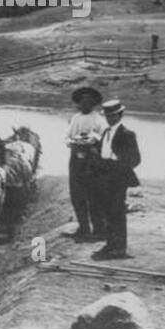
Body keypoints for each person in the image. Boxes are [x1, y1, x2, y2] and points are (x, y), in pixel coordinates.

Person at [93, 99, 140, 260]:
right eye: (107, 116)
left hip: (118, 177)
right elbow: (101, 152)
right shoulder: (105, 132)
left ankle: (119, 247)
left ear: (120, 115)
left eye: (113, 115)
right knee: (106, 210)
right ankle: (110, 243)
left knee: (117, 211)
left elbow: (135, 159)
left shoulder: (127, 134)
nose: (109, 118)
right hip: (104, 175)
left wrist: (120, 165)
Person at [65, 86, 107, 241]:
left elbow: (103, 136)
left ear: (94, 103)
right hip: (76, 158)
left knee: (93, 195)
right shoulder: (75, 118)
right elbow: (67, 136)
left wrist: (92, 140)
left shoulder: (98, 119)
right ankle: (83, 227)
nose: (85, 105)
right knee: (77, 194)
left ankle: (99, 229)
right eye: (82, 102)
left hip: (92, 160)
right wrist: (73, 141)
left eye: (89, 102)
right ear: (79, 103)